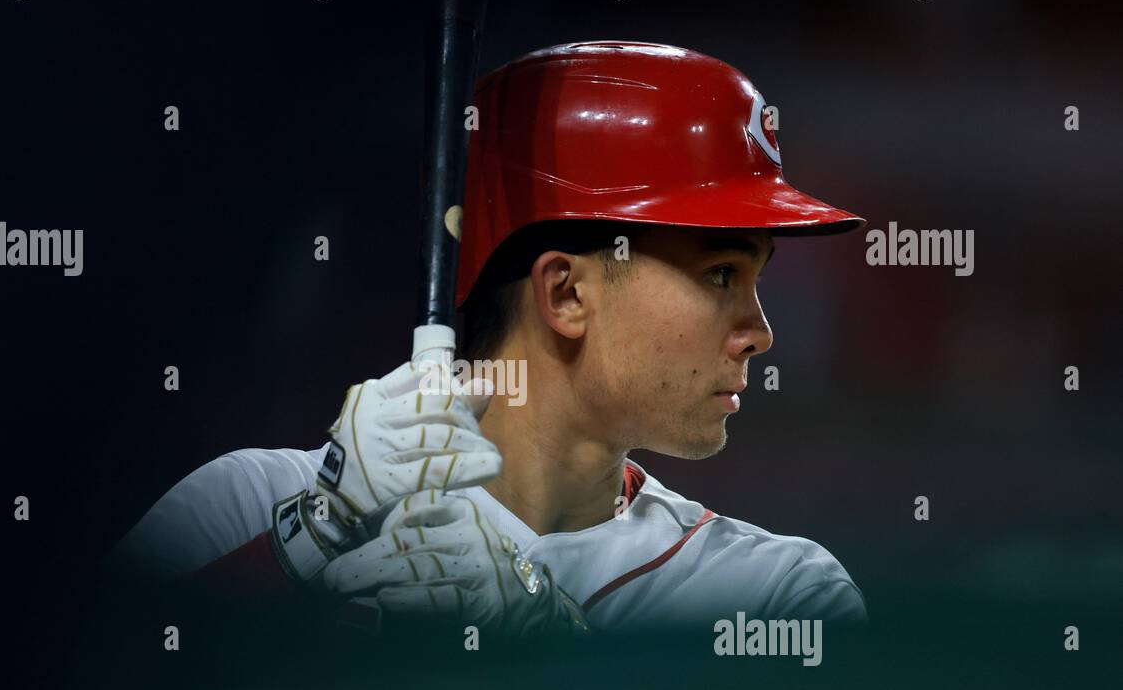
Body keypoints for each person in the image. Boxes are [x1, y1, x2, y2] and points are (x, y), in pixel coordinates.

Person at [111, 42, 869, 640]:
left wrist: (545, 651)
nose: (760, 333)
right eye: (722, 275)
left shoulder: (780, 594)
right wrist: (307, 538)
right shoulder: (247, 505)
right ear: (566, 293)